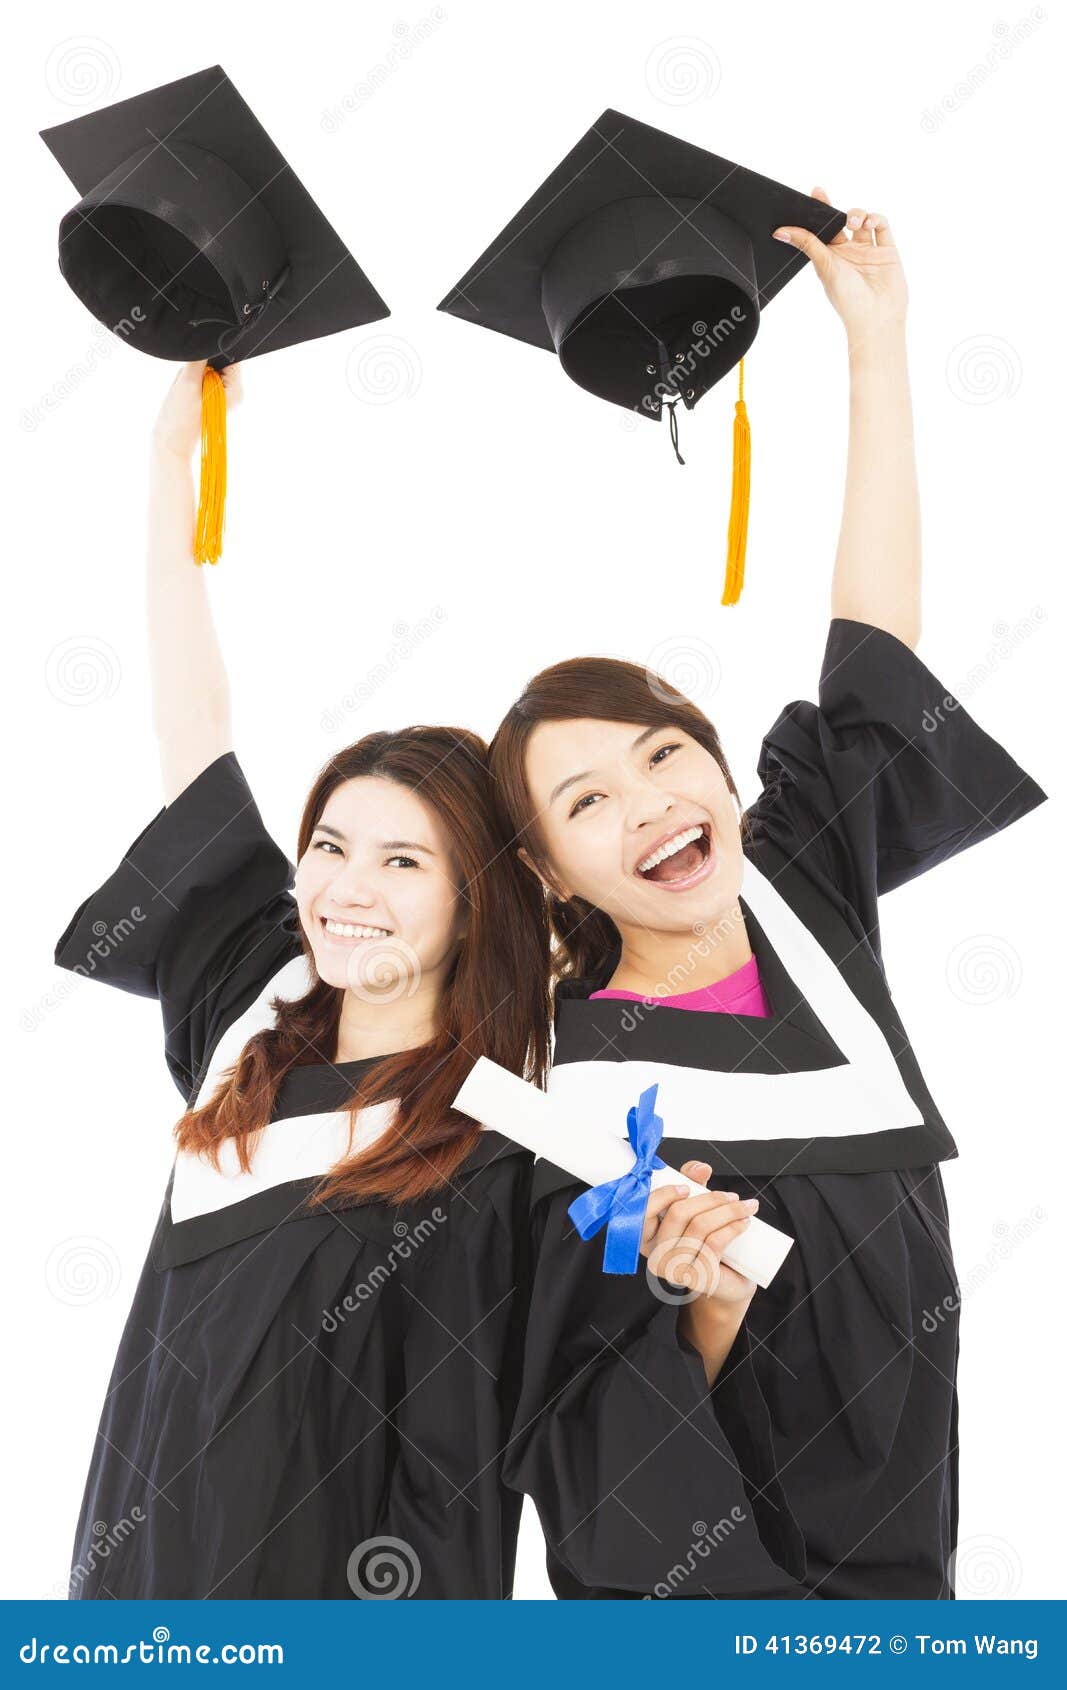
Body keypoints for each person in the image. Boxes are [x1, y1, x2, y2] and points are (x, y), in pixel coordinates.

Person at [486, 195, 1046, 1599]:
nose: (647, 804)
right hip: (736, 1595)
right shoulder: (578, 1090)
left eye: (662, 755)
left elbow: (873, 646)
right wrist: (697, 1300)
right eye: (585, 803)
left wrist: (875, 348)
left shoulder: (803, 893)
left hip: (914, 1558)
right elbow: (593, 1433)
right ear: (547, 871)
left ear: (722, 768)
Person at [54, 363, 549, 1599]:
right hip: (133, 1599)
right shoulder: (253, 1009)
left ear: (474, 896)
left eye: (402, 860)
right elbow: (192, 734)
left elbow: (456, 1464)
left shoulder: (505, 1126)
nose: (345, 888)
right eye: (329, 845)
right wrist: (168, 470)